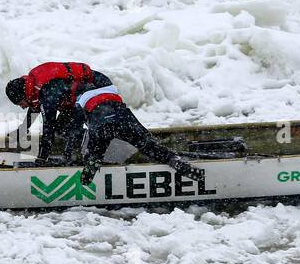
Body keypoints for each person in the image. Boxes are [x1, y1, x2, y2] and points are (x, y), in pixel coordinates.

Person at [65, 71, 206, 186]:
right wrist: (145, 136)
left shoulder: (80, 101)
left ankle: (87, 177)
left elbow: (76, 128)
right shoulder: (110, 91)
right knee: (149, 146)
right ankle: (174, 160)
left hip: (100, 123)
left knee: (95, 152)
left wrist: (70, 153)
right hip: (125, 119)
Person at [3, 62, 95, 163]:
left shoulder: (46, 92)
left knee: (65, 130)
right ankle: (79, 152)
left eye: (21, 103)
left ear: (24, 96)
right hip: (79, 97)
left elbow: (48, 128)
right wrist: (23, 129)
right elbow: (35, 108)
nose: (22, 107)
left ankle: (99, 143)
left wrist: (42, 158)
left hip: (93, 91)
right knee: (61, 129)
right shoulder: (33, 85)